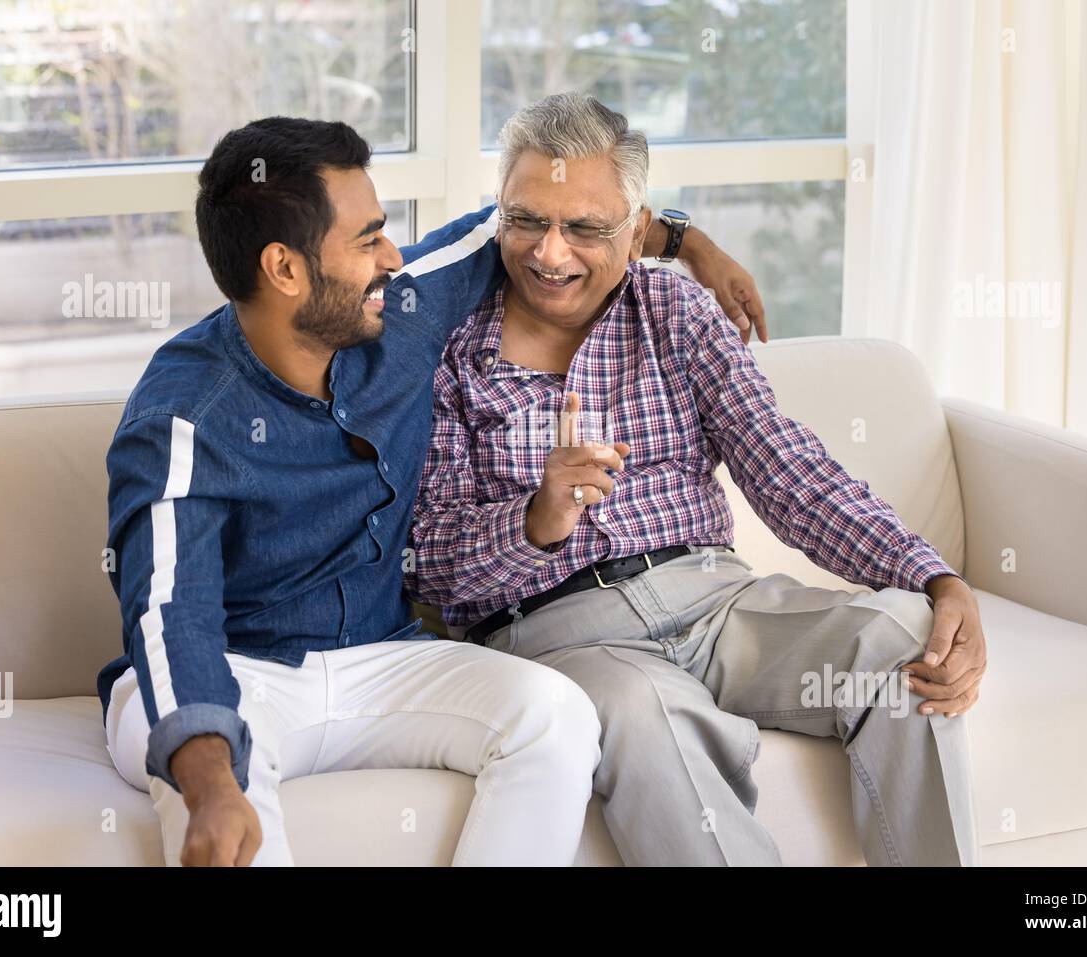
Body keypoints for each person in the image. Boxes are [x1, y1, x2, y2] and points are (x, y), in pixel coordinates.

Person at [98, 115, 763, 866]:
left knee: (556, 715)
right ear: (285, 269)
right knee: (225, 785)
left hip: (383, 657)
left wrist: (686, 241)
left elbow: (532, 223)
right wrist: (211, 781)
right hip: (240, 673)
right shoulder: (181, 412)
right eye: (367, 238)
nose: (393, 256)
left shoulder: (401, 308)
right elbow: (166, 612)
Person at [408, 93, 986, 866]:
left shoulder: (674, 310)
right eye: (525, 220)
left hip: (717, 601)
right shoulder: (450, 350)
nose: (549, 252)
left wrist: (934, 576)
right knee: (647, 714)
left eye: (583, 227)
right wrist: (535, 518)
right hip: (563, 636)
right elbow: (428, 558)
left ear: (637, 228)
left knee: (901, 640)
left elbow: (786, 469)